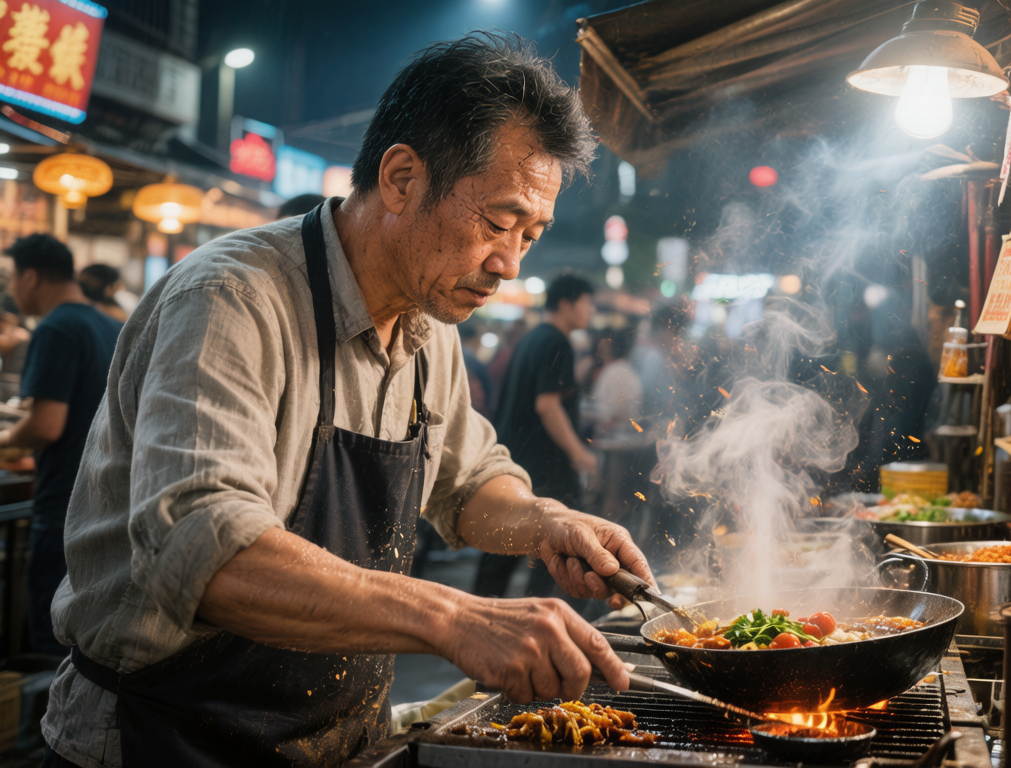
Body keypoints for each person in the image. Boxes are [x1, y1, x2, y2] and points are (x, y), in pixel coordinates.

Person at [41, 33, 654, 768]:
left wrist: (547, 522)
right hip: (165, 736)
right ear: (400, 177)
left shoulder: (430, 322)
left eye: (531, 234)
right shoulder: (234, 299)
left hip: (338, 741)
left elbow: (465, 483)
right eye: (496, 223)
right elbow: (202, 549)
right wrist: (453, 616)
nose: (509, 263)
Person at [0, 235, 121, 656]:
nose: (13, 289)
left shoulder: (54, 326)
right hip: (106, 510)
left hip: (63, 511)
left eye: (13, 278)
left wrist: (6, 441)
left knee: (51, 647)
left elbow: (46, 426)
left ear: (31, 276)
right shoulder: (110, 323)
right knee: (85, 646)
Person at [474, 273, 599, 600]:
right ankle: (535, 621)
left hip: (513, 461)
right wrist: (578, 452)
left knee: (500, 548)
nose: (591, 311)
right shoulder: (557, 341)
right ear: (566, 303)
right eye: (587, 303)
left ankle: (487, 621)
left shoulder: (532, 338)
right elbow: (548, 405)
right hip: (543, 468)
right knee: (551, 550)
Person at [457, 321, 493, 419]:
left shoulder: (451, 355)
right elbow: (486, 388)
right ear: (475, 339)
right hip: (471, 411)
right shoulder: (470, 357)